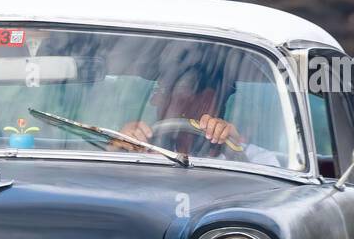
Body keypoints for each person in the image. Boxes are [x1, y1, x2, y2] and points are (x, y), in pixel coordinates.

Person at [113, 63, 278, 166]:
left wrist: (234, 152)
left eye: (163, 91)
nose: (154, 101)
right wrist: (118, 149)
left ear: (206, 99)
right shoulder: (144, 149)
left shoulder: (259, 161)